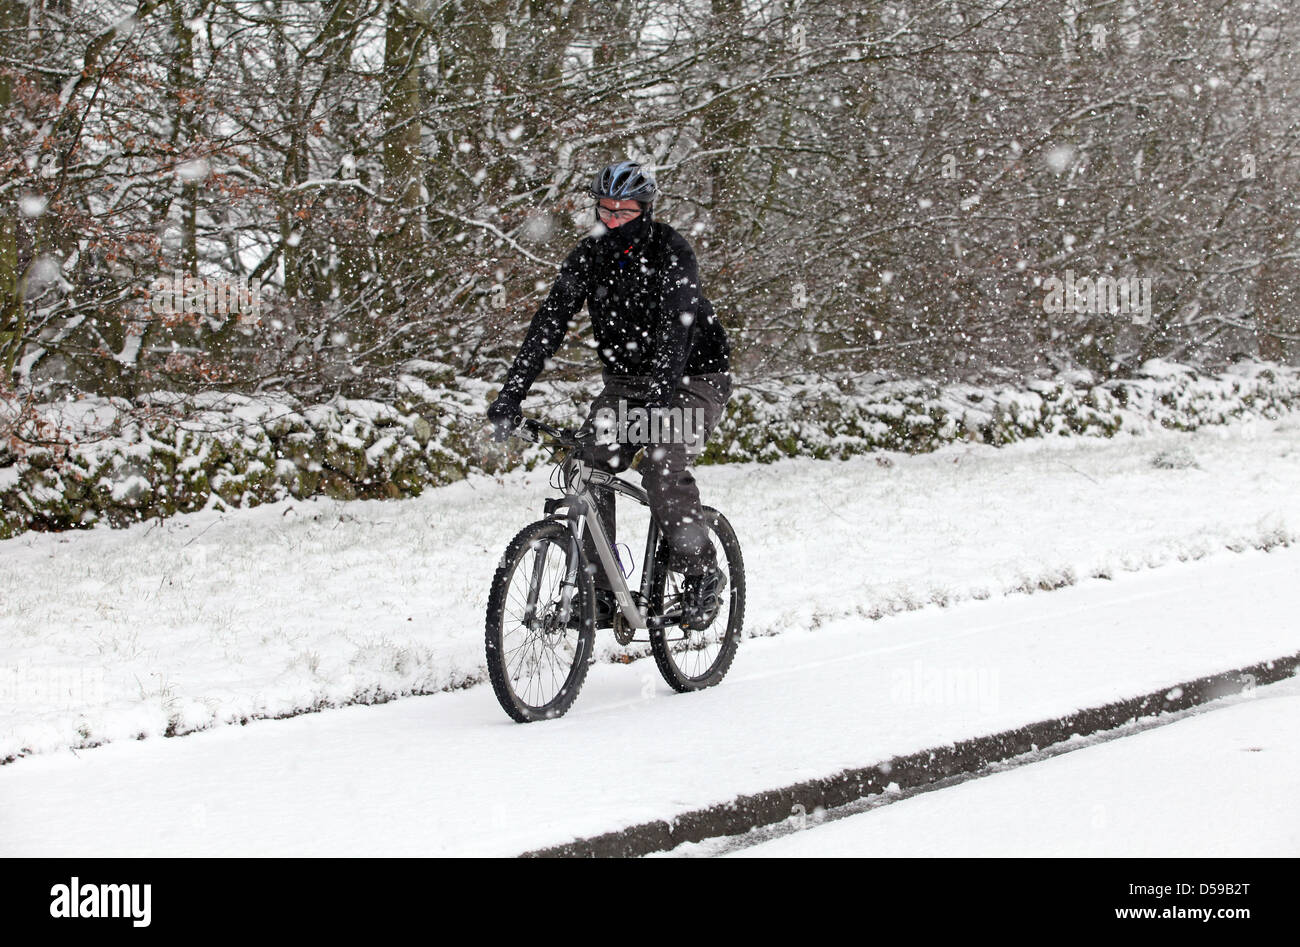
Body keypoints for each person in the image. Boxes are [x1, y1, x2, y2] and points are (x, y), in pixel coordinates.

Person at [487, 160, 732, 630]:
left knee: (661, 466)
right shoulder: (590, 255)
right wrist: (511, 395)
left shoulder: (671, 251)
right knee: (588, 467)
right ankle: (602, 593)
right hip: (628, 382)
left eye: (625, 212)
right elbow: (549, 326)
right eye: (606, 210)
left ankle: (701, 574)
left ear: (646, 209)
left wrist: (660, 398)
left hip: (694, 376)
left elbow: (676, 329)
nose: (614, 221)